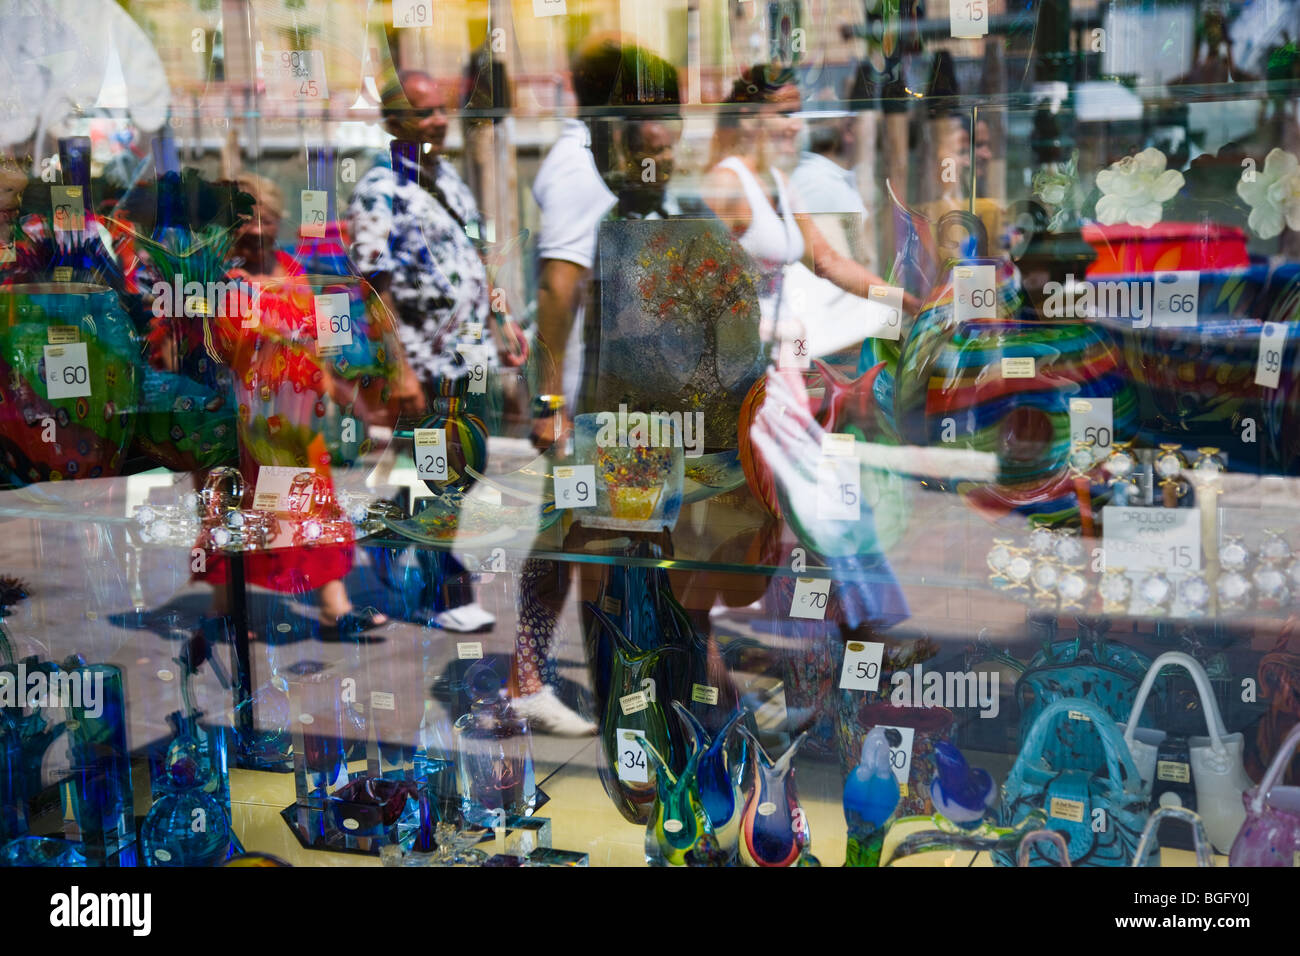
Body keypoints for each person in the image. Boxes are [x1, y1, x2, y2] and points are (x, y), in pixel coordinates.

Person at [347, 69, 525, 633]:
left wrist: (502, 320)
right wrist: (398, 369)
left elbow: (477, 256)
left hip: (468, 356)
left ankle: (382, 535)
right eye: (425, 113)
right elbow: (373, 287)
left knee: (457, 468)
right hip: (423, 361)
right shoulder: (379, 190)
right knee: (442, 471)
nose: (440, 122)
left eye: (443, 110)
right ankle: (440, 588)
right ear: (393, 122)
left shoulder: (446, 176)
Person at [196, 173, 386, 633]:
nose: (257, 225)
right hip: (245, 418)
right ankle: (225, 608)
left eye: (265, 214)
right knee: (235, 506)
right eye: (246, 216)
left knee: (314, 502)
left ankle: (333, 605)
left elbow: (324, 332)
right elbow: (229, 342)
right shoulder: (224, 280)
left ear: (280, 218)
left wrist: (346, 380)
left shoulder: (294, 268)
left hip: (300, 415)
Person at [701, 63, 919, 345]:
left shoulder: (779, 182)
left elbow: (828, 262)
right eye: (785, 114)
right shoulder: (728, 182)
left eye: (798, 113)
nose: (797, 125)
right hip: (750, 358)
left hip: (786, 353)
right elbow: (701, 282)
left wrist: (910, 303)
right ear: (748, 119)